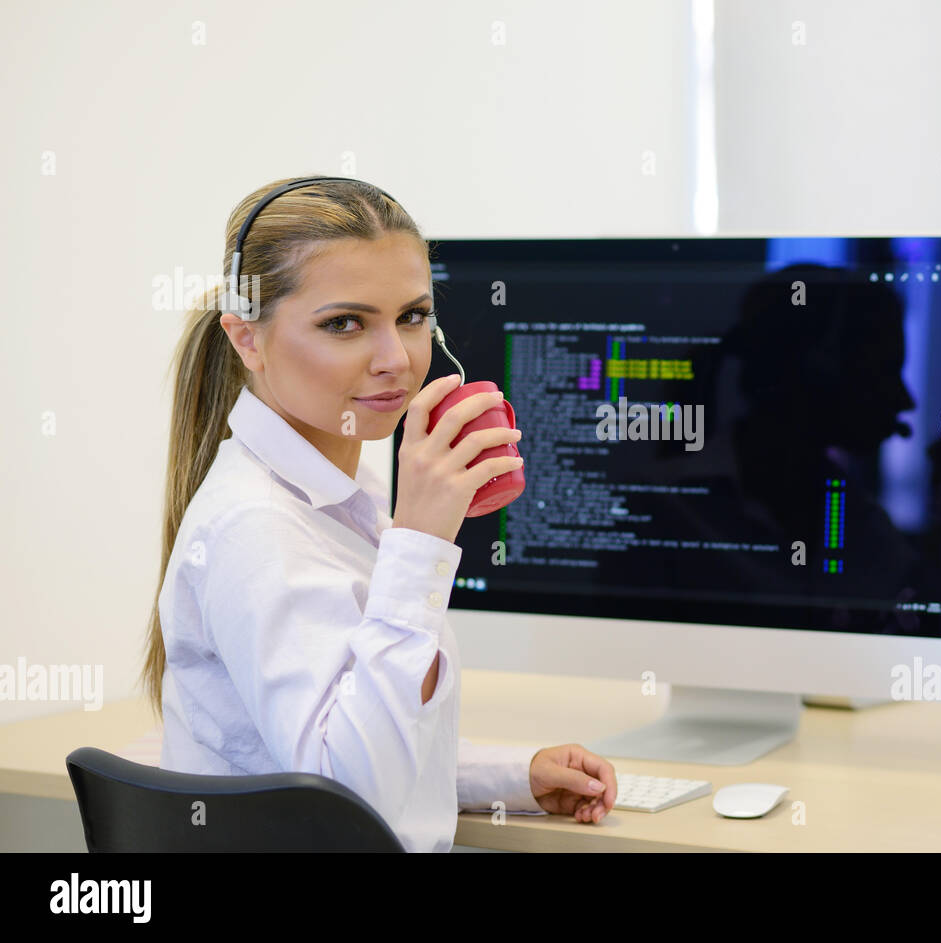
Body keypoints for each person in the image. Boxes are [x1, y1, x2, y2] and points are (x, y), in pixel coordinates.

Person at [140, 176, 617, 851]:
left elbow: (360, 736)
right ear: (248, 339)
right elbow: (352, 800)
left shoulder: (336, 495)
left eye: (414, 316)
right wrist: (420, 541)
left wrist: (512, 775)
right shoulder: (255, 529)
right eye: (345, 323)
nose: (397, 360)